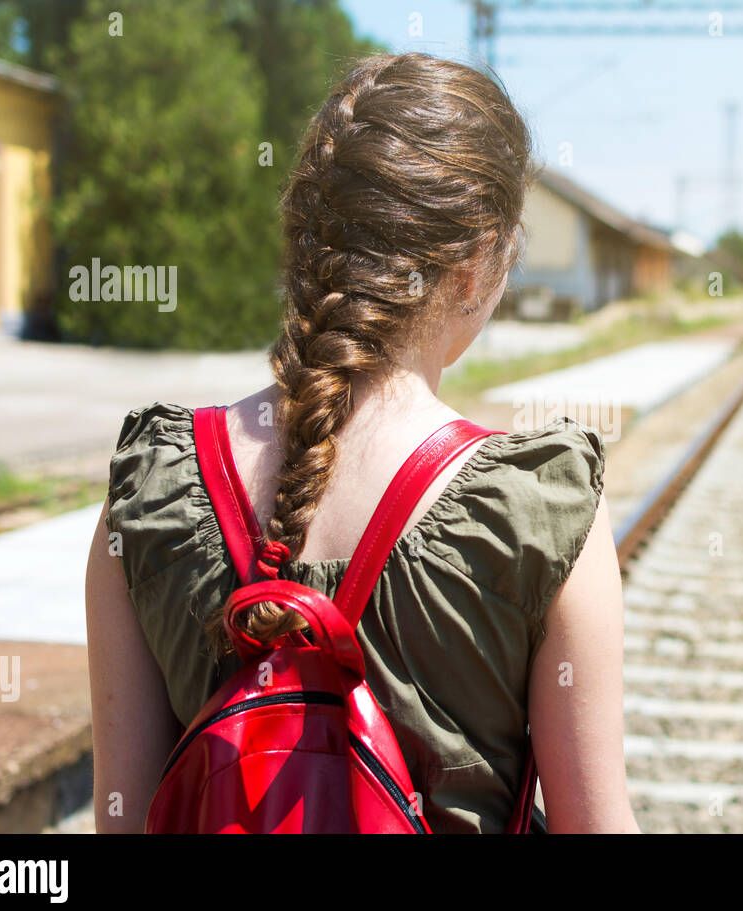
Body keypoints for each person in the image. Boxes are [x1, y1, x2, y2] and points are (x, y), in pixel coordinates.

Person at [83, 52, 639, 834]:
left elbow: (123, 820)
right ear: (478, 268)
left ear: (307, 244)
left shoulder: (149, 491)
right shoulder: (538, 512)